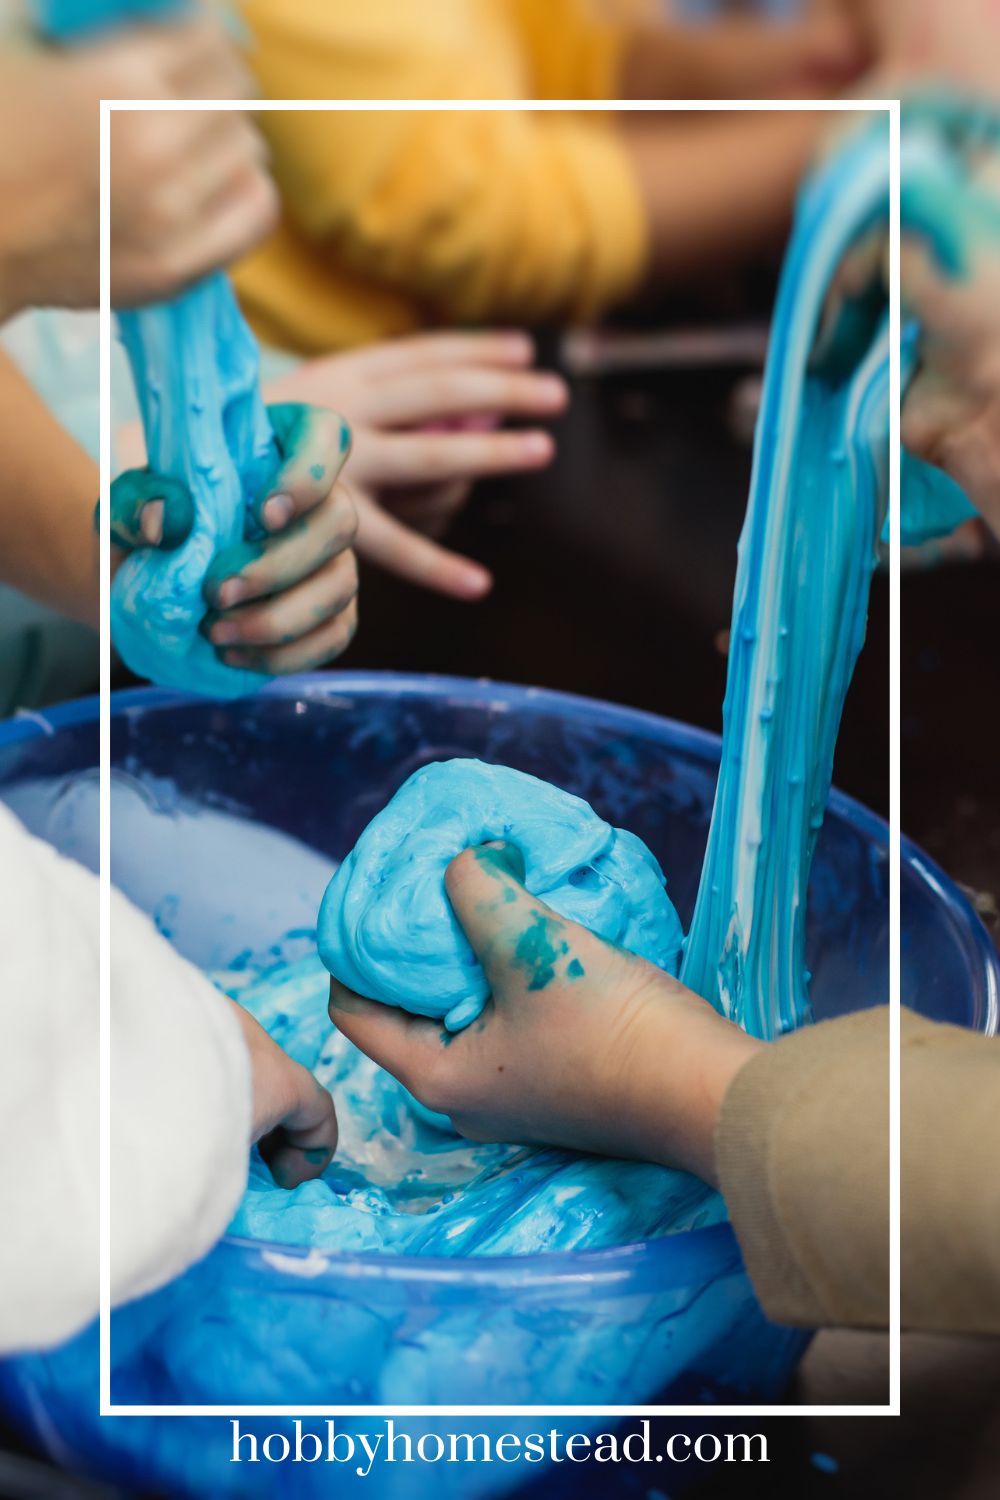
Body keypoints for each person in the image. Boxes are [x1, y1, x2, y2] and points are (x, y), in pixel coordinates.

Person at [230, 0, 871, 354]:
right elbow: (461, 211)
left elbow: (545, 57)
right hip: (283, 392)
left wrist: (793, 74)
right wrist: (870, 129)